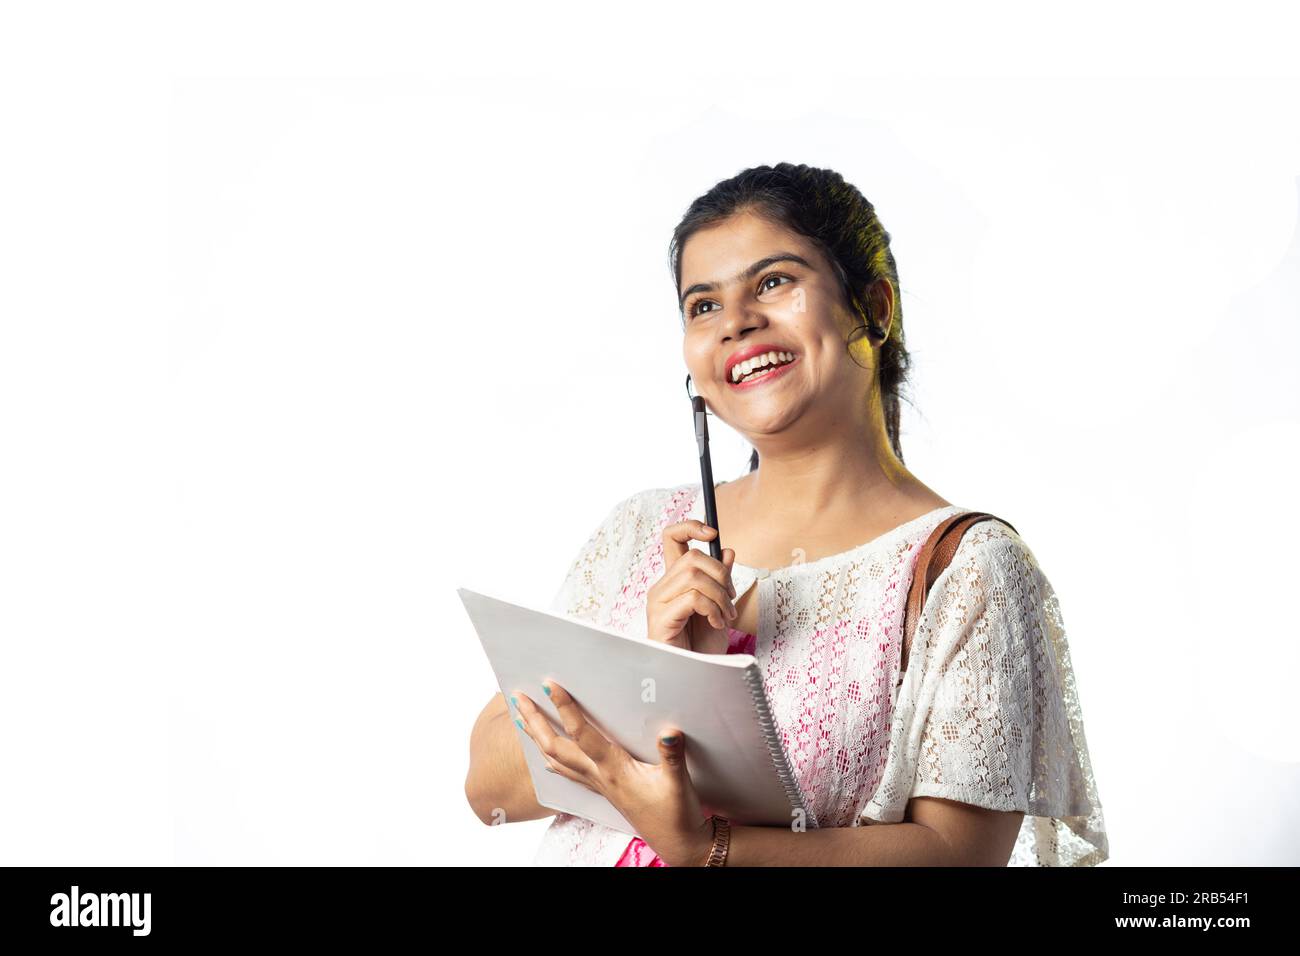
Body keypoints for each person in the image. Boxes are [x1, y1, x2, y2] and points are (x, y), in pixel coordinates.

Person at [465, 163, 1108, 867]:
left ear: (875, 306)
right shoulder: (639, 531)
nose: (736, 321)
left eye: (774, 282)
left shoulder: (968, 568)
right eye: (703, 305)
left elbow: (957, 856)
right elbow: (489, 786)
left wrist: (707, 847)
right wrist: (650, 667)